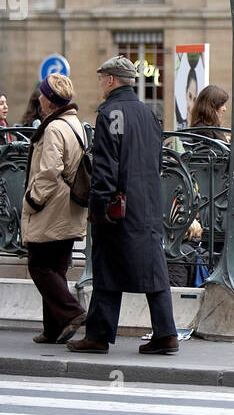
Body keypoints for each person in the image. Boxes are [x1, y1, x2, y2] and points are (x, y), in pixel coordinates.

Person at [68, 55, 179, 355]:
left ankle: (99, 335)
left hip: (118, 205)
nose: (100, 83)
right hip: (148, 204)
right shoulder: (147, 114)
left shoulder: (109, 113)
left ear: (111, 80)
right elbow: (157, 162)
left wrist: (99, 206)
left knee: (106, 268)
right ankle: (166, 332)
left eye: (102, 78)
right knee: (154, 270)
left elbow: (106, 166)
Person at [21, 73, 88, 344]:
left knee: (38, 266)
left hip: (51, 209)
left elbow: (49, 172)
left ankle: (73, 313)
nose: (39, 97)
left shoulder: (53, 128)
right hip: (70, 207)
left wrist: (33, 200)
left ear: (49, 100)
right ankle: (53, 329)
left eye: (42, 93)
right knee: (56, 267)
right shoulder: (75, 123)